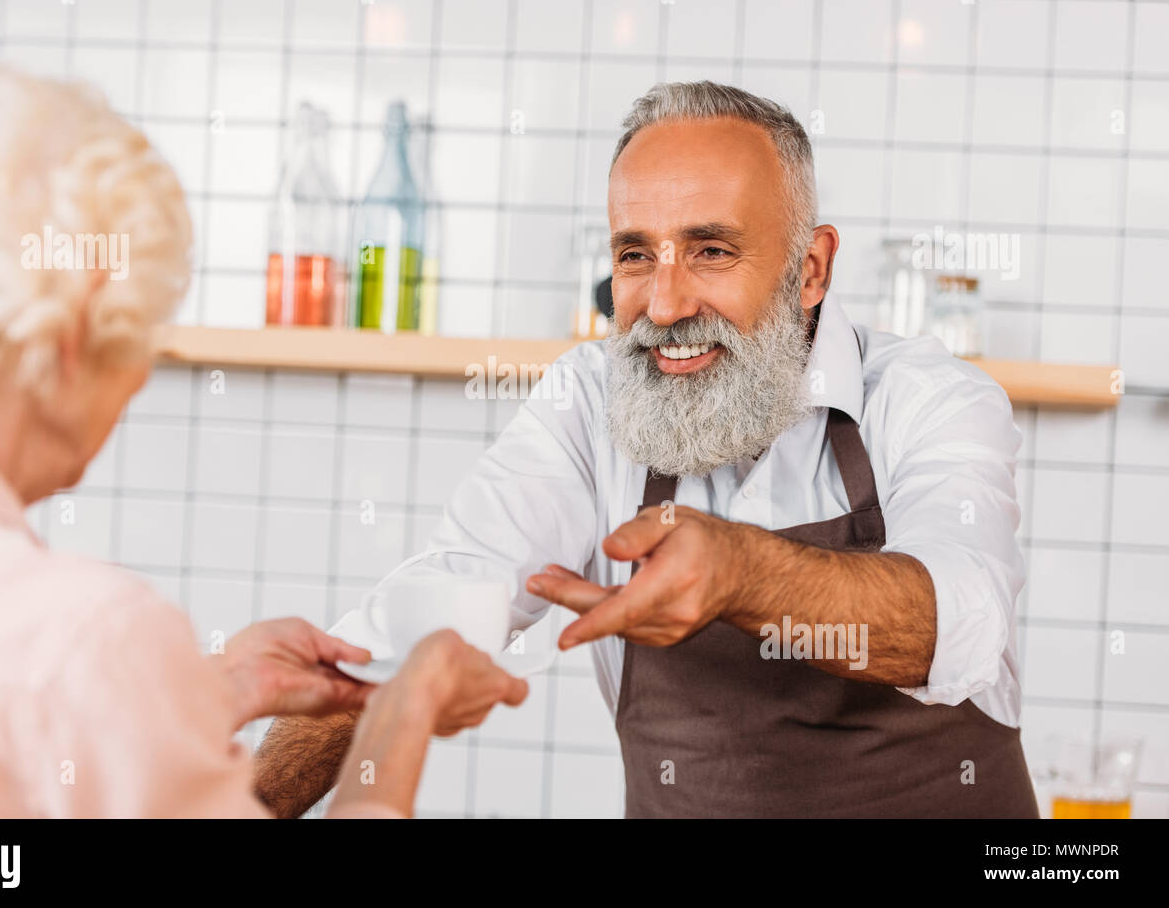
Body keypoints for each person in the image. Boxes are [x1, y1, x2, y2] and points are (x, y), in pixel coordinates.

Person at [256, 81, 1039, 818]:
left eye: (711, 251)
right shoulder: (588, 402)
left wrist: (742, 573)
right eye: (636, 255)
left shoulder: (931, 399)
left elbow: (961, 620)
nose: (664, 305)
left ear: (810, 269)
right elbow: (430, 613)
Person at [0, 61, 526, 819]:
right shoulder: (88, 634)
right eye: (145, 338)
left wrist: (207, 691)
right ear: (77, 334)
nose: (141, 379)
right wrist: (404, 712)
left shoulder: (71, 652)